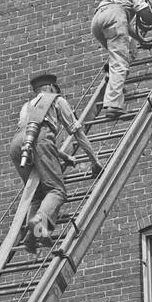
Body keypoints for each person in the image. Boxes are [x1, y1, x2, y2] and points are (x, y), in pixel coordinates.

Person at [10, 70, 102, 251]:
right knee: (57, 190)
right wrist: (94, 160)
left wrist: (62, 155)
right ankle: (40, 221)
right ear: (52, 87)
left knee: (38, 194)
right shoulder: (57, 100)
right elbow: (76, 132)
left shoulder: (27, 106)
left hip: (16, 145)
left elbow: (30, 134)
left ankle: (32, 236)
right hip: (39, 141)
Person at [91, 0, 150, 119]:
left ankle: (115, 83)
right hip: (115, 17)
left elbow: (122, 24)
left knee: (122, 53)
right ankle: (114, 106)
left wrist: (140, 40)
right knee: (120, 62)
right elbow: (140, 6)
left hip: (99, 19)